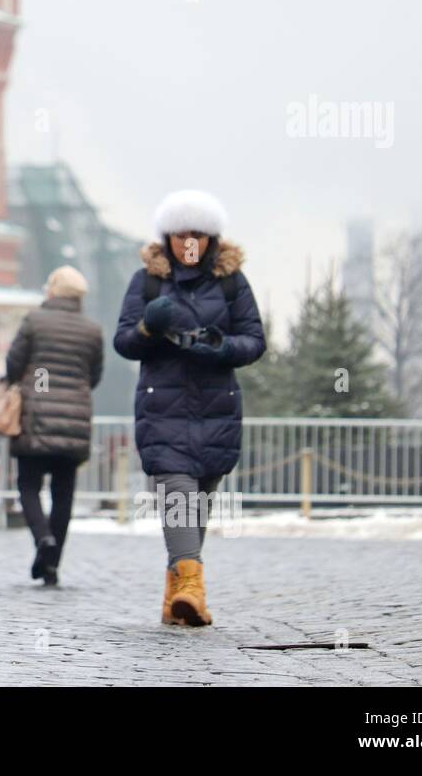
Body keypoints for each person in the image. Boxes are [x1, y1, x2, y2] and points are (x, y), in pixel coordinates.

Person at [113, 190, 265, 627]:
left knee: (194, 507)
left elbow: (255, 341)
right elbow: (124, 342)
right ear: (168, 238)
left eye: (197, 235)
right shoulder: (147, 281)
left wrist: (219, 346)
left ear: (211, 239)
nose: (189, 244)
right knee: (177, 497)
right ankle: (193, 591)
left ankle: (174, 602)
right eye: (181, 235)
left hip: (217, 409)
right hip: (163, 408)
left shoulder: (233, 282)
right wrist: (148, 327)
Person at [5, 266, 104, 586]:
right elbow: (95, 376)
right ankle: (52, 564)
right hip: (74, 421)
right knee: (64, 495)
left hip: (36, 418)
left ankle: (43, 539)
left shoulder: (34, 321)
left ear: (52, 291)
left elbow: (13, 363)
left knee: (28, 486)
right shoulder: (92, 330)